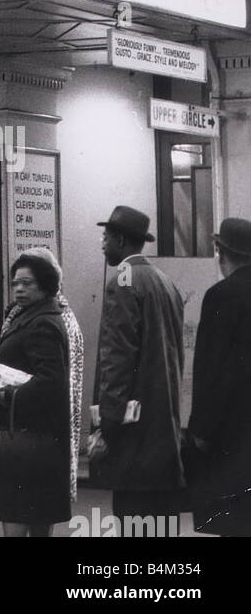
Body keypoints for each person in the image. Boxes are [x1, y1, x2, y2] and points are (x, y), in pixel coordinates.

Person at [92, 204, 185, 533]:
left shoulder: (123, 282)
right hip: (163, 429)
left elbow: (116, 361)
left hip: (134, 435)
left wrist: (108, 424)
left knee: (134, 525)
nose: (102, 244)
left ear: (119, 239)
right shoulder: (164, 282)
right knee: (160, 527)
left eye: (105, 237)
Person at [0, 251, 72, 536]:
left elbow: (50, 380)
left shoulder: (41, 323)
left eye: (27, 283)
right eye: (16, 283)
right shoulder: (30, 316)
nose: (19, 289)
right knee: (35, 521)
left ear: (44, 285)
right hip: (36, 440)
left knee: (19, 518)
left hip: (26, 440)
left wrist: (7, 395)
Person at [186, 217, 251, 536]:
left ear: (221, 252)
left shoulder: (221, 295)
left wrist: (200, 429)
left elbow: (211, 370)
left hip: (232, 433)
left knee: (234, 522)